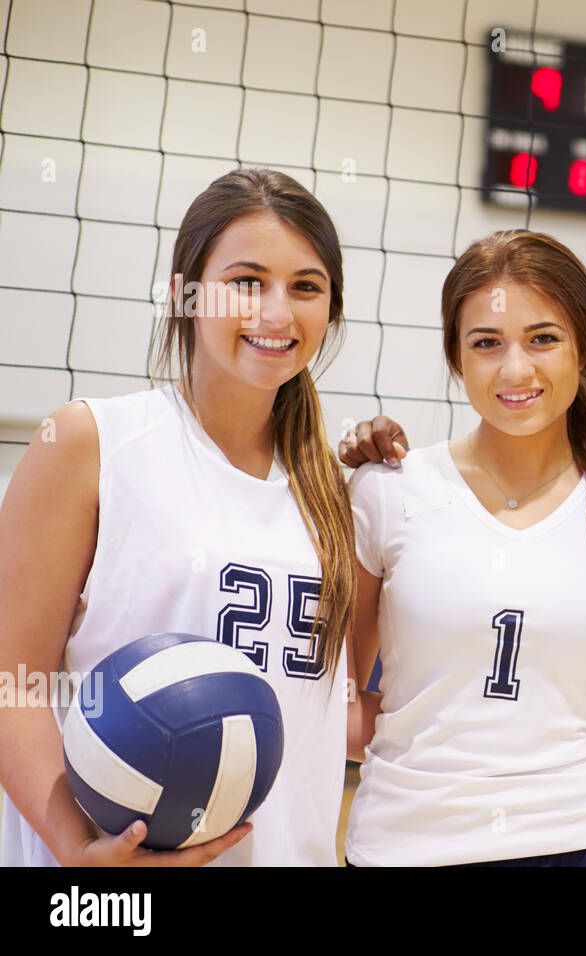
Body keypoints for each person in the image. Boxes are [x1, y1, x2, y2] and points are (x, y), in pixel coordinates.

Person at [0, 167, 355, 866]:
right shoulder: (89, 442)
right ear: (183, 291)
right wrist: (79, 848)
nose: (277, 313)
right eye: (247, 281)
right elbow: (12, 678)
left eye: (306, 287)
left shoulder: (337, 490)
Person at [339, 230, 586, 866]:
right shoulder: (388, 489)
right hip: (405, 844)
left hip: (576, 843)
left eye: (543, 338)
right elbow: (338, 697)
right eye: (487, 343)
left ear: (583, 349)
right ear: (456, 357)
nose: (515, 369)